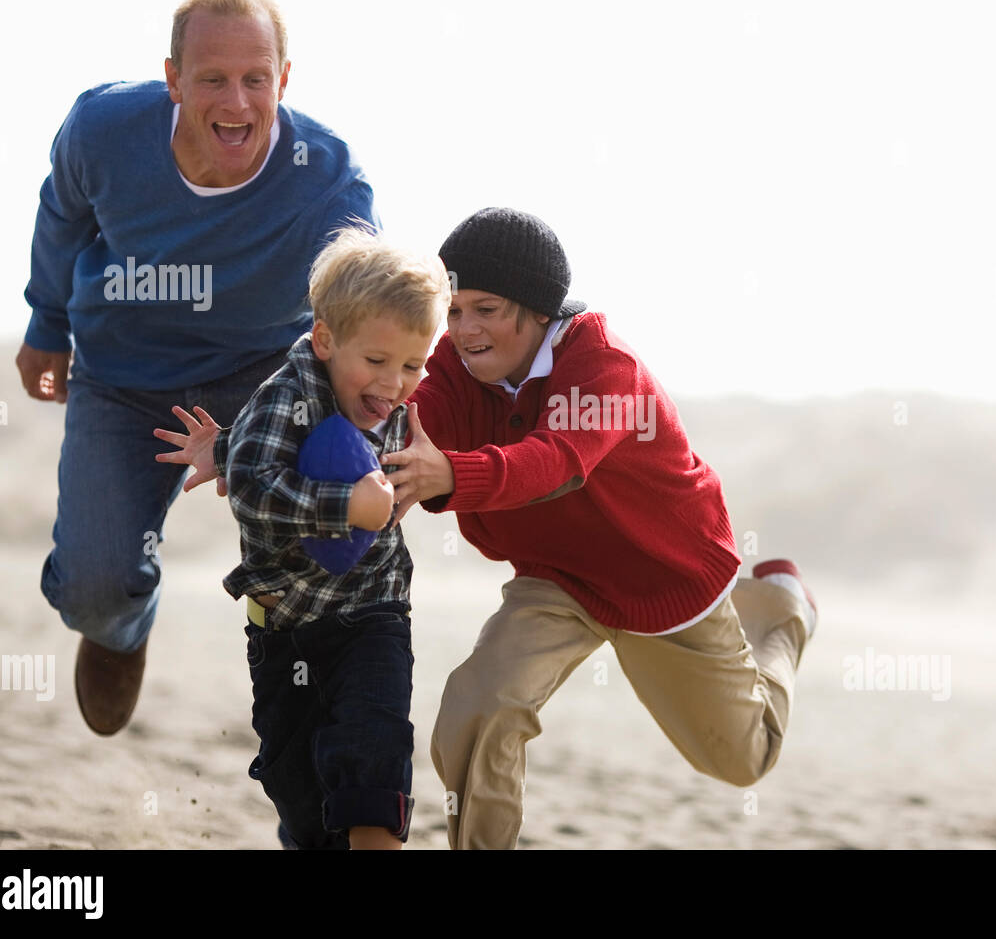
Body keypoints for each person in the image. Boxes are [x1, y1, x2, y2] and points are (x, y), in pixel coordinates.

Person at [158, 208, 819, 849]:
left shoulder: (606, 367)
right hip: (559, 582)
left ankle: (780, 614)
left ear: (539, 312)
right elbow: (372, 415)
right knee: (477, 709)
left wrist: (453, 475)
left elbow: (558, 462)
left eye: (486, 310)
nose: (464, 329)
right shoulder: (451, 367)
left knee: (741, 759)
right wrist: (241, 449)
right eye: (455, 309)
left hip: (666, 581)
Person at [18, 0, 376, 736]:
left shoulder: (328, 181)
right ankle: (120, 625)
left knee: (341, 502)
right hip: (125, 381)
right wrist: (47, 323)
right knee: (94, 588)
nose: (236, 101)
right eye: (212, 77)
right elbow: (62, 217)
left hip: (262, 381)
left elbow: (368, 311)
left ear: (283, 80)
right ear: (174, 78)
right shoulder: (103, 131)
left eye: (255, 79)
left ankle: (318, 671)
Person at [222, 226, 448, 849]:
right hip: (285, 627)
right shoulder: (287, 395)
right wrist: (345, 504)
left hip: (372, 614)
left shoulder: (395, 405)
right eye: (376, 361)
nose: (394, 384)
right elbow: (252, 488)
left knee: (375, 748)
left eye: (412, 365)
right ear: (325, 339)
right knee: (298, 788)